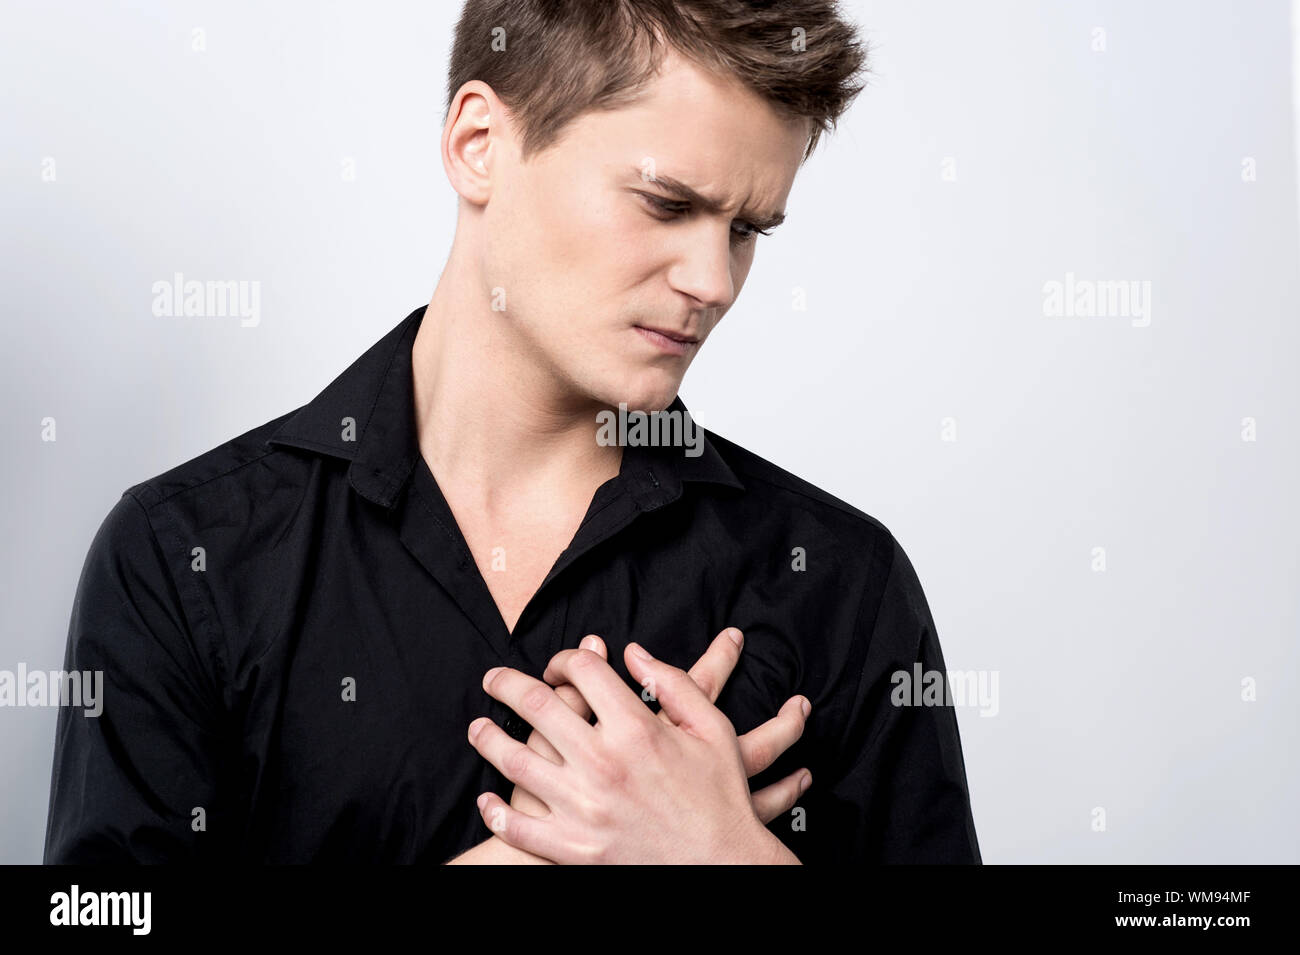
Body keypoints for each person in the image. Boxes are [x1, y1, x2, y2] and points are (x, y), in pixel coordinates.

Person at [44, 0, 980, 864]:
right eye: (666, 203)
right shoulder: (185, 557)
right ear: (480, 145)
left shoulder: (843, 583)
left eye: (747, 231)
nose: (713, 281)